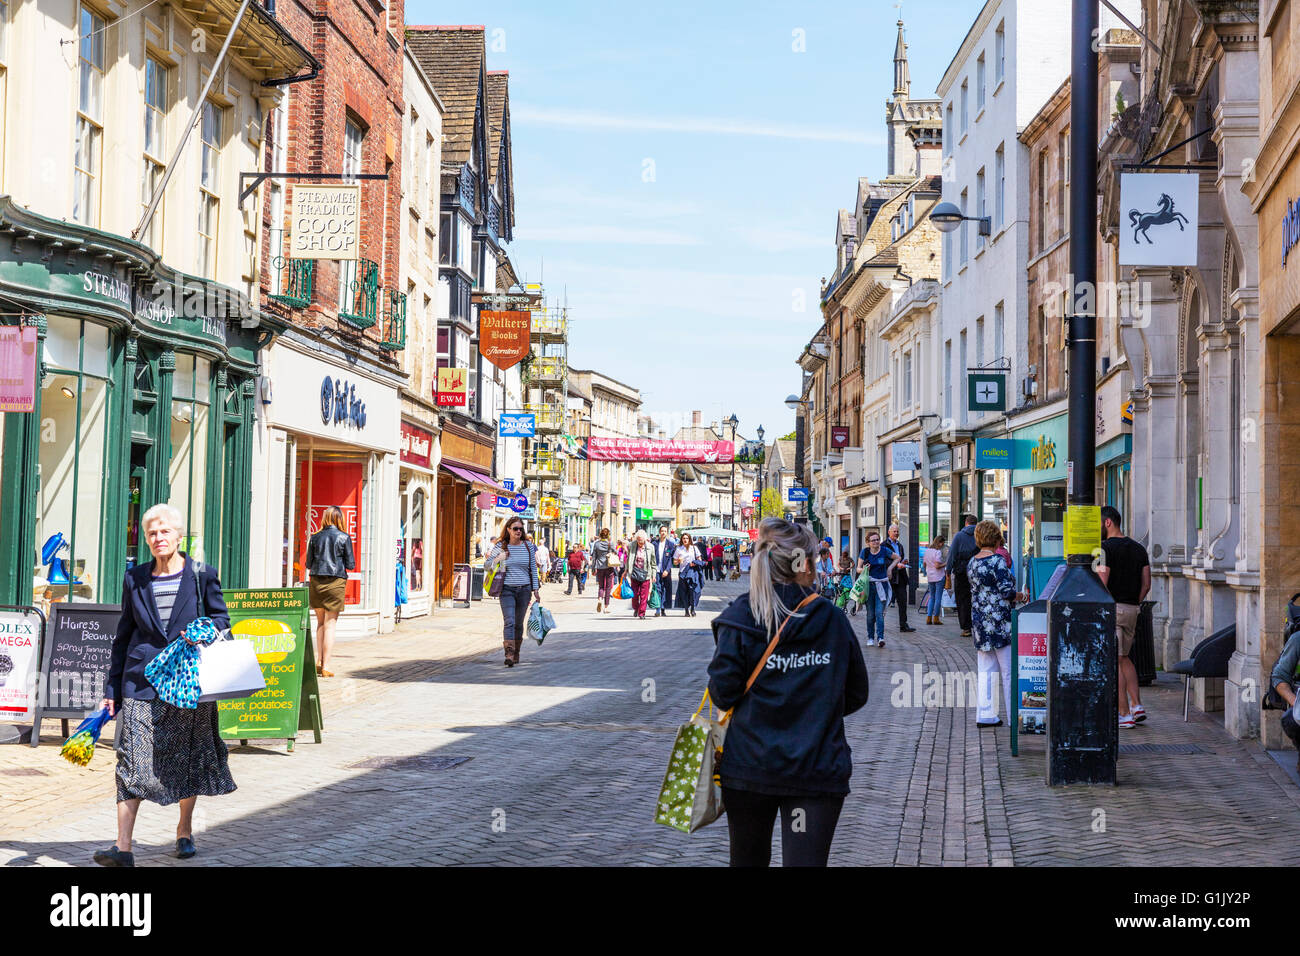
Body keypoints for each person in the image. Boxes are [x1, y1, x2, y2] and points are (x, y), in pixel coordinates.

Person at [708, 518, 869, 867]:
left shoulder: (741, 617)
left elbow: (723, 693)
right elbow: (857, 693)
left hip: (751, 767)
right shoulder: (829, 618)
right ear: (805, 563)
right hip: (814, 768)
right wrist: (813, 710)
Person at [96, 504, 236, 867]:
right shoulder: (136, 578)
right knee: (132, 761)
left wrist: (208, 629)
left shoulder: (201, 575)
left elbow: (222, 618)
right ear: (146, 539)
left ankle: (184, 831)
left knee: (187, 757)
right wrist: (112, 689)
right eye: (152, 534)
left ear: (178, 535)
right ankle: (123, 849)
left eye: (165, 532)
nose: (158, 539)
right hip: (140, 680)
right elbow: (123, 636)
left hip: (188, 681)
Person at [967, 521, 1029, 728]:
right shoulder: (997, 561)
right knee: (1008, 671)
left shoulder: (972, 562)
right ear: (996, 538)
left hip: (980, 622)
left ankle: (985, 715)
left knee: (986, 670)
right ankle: (1013, 718)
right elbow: (1007, 592)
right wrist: (1021, 595)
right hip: (1000, 622)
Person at [1097, 506, 1151, 729]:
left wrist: (1110, 604)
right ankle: (1137, 705)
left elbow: (1101, 582)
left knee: (1114, 661)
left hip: (1114, 609)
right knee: (1125, 657)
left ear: (1108, 522)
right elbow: (1147, 584)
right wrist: (1135, 602)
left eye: (1099, 523)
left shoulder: (1102, 548)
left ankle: (1124, 713)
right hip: (1132, 609)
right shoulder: (1139, 548)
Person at [305, 505, 355, 678]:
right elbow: (351, 564)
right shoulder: (344, 537)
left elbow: (308, 564)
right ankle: (326, 665)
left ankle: (319, 661)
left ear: (325, 518)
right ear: (339, 519)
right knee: (330, 624)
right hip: (336, 582)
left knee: (320, 623)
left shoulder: (315, 537)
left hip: (317, 581)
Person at [486, 517, 541, 667]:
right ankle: (509, 653)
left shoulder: (529, 546)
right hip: (506, 590)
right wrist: (498, 558)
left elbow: (533, 570)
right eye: (515, 528)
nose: (518, 531)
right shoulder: (501, 546)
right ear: (508, 529)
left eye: (520, 529)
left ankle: (516, 652)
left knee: (518, 623)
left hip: (524, 590)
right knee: (509, 621)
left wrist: (535, 590)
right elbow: (486, 565)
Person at [857, 531, 900, 647]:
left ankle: (880, 637)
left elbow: (897, 558)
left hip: (882, 585)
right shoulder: (865, 552)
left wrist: (890, 568)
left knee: (879, 613)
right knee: (870, 614)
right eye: (873, 540)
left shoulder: (884, 550)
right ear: (868, 543)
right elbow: (858, 569)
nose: (876, 542)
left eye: (877, 539)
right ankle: (870, 637)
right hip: (869, 586)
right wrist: (865, 569)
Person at [946, 515, 980, 637]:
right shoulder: (980, 535)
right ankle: (978, 626)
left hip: (961, 573)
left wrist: (948, 571)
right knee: (977, 598)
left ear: (966, 523)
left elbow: (951, 555)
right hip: (977, 572)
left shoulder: (959, 536)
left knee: (962, 600)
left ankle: (966, 628)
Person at [882, 525, 916, 632]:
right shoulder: (884, 545)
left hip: (900, 577)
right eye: (894, 531)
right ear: (889, 532)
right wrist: (896, 565)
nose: (896, 533)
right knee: (884, 601)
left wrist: (903, 563)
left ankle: (903, 625)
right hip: (889, 577)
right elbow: (885, 561)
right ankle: (879, 623)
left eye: (897, 531)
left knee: (902, 601)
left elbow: (900, 558)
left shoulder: (900, 545)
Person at [626, 529, 656, 619]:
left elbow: (653, 562)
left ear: (645, 539)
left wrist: (653, 575)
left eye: (641, 541)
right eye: (638, 540)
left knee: (644, 595)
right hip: (635, 573)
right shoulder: (632, 545)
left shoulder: (650, 547)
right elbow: (628, 559)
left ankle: (642, 613)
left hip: (646, 573)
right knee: (634, 594)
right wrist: (626, 570)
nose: (640, 542)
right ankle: (636, 608)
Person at [674, 532, 704, 616]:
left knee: (692, 590)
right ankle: (686, 610)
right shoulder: (679, 549)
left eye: (687, 538)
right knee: (683, 592)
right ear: (681, 540)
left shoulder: (694, 548)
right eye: (683, 538)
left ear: (689, 539)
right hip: (682, 573)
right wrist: (679, 561)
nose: (685, 540)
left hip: (692, 573)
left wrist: (695, 563)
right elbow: (675, 562)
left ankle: (693, 609)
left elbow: (699, 559)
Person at [923, 534, 947, 625]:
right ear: (939, 543)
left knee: (932, 597)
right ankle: (936, 618)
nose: (942, 545)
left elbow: (924, 564)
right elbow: (937, 566)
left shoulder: (927, 551)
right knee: (938, 598)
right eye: (942, 543)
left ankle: (928, 618)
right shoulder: (938, 552)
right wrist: (945, 564)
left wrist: (928, 570)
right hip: (939, 577)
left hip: (930, 577)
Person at [652, 525, 676, 616]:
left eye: (665, 531)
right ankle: (657, 608)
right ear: (659, 532)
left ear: (667, 533)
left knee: (665, 589)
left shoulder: (670, 544)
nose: (663, 533)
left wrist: (667, 570)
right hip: (656, 570)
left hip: (666, 570)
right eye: (662, 531)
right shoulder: (654, 544)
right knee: (657, 589)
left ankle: (663, 608)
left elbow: (671, 558)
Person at [591, 528, 615, 613]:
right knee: (608, 587)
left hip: (600, 567)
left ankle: (600, 599)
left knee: (601, 586)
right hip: (609, 566)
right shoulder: (610, 543)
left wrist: (593, 569)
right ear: (608, 535)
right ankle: (606, 607)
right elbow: (615, 552)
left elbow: (594, 557)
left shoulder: (596, 544)